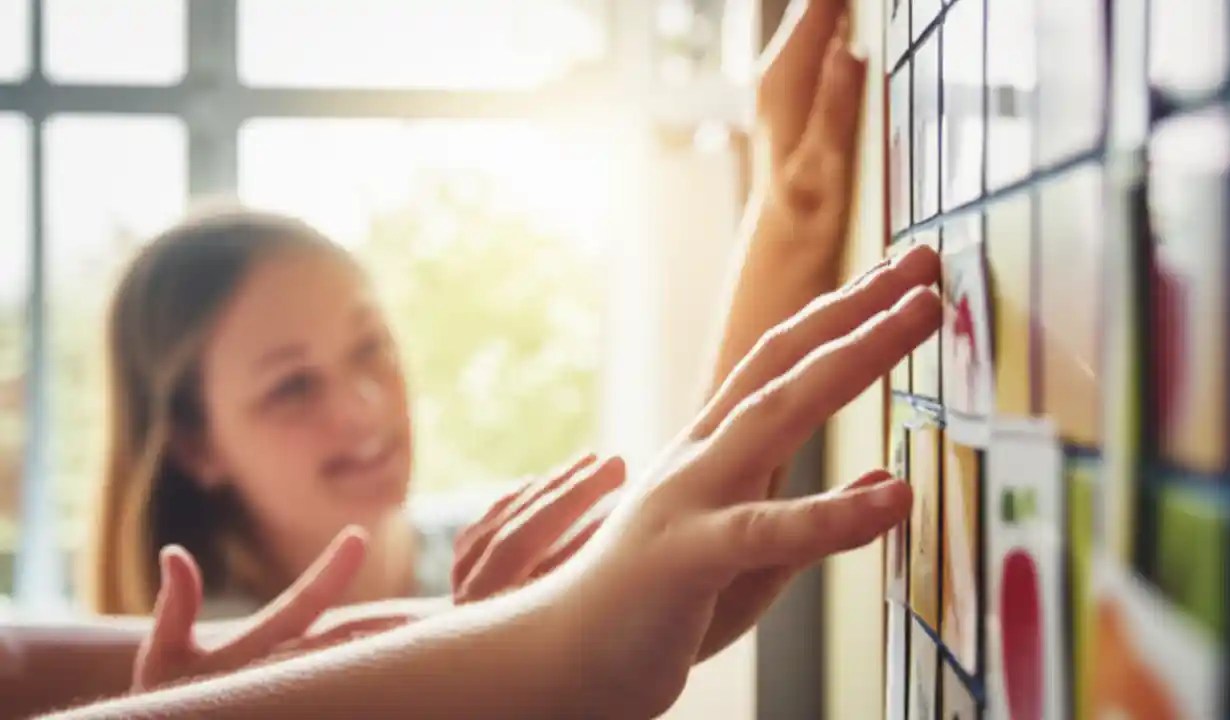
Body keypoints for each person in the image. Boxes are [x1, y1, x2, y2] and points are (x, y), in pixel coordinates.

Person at [0, 0, 908, 714]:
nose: (363, 405)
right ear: (194, 443)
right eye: (291, 387)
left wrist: (791, 207)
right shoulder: (204, 655)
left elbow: (669, 546)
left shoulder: (477, 551)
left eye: (373, 348)